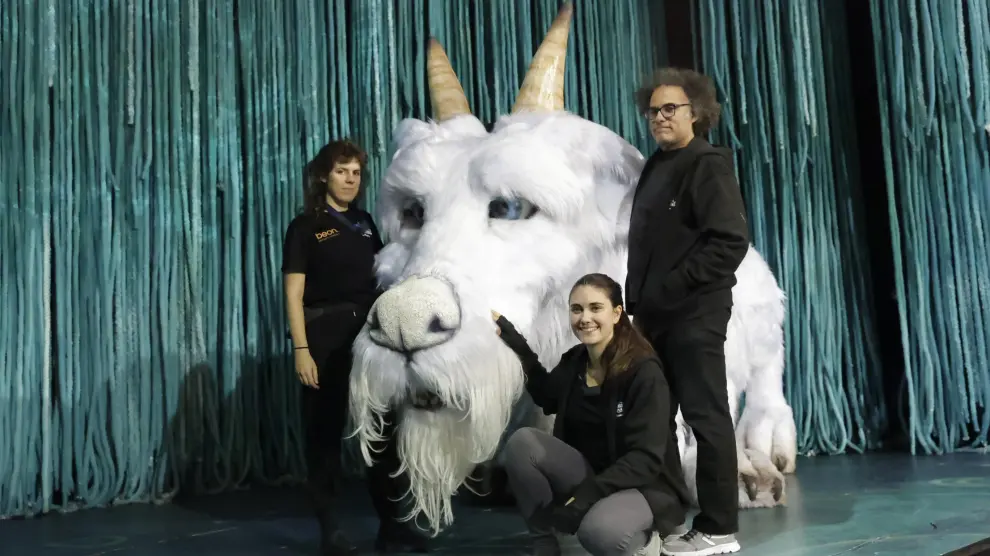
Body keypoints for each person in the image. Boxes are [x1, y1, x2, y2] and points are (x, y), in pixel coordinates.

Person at [282, 139, 429, 555]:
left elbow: (384, 275)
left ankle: (391, 525)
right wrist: (301, 350)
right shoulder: (306, 226)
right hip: (324, 339)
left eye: (356, 173)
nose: (350, 179)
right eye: (342, 171)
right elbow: (293, 294)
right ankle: (330, 530)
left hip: (367, 338)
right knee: (324, 435)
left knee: (381, 434)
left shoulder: (364, 222)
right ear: (324, 175)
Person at [624, 67, 749, 556]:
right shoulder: (657, 165)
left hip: (694, 314)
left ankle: (719, 530)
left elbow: (729, 242)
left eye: (669, 108)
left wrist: (672, 288)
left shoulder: (707, 164)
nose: (659, 117)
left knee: (706, 417)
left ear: (695, 113)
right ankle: (672, 522)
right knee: (656, 420)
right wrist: (638, 305)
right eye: (653, 110)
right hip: (654, 318)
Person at [492, 273, 690, 556]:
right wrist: (515, 342)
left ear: (617, 313)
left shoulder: (644, 372)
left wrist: (584, 499)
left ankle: (649, 541)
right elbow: (546, 395)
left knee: (598, 532)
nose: (585, 317)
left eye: (596, 308)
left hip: (645, 486)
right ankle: (545, 545)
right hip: (594, 474)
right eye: (577, 309)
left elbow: (645, 460)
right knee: (523, 444)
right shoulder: (575, 362)